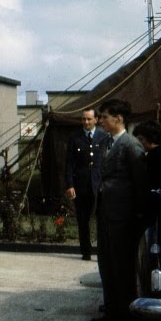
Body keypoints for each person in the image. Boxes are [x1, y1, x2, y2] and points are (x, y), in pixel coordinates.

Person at [91, 98, 147, 321]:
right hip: (105, 214)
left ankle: (126, 317)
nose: (100, 121)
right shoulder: (106, 142)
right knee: (106, 264)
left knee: (122, 267)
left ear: (119, 118)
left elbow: (140, 185)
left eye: (104, 117)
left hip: (123, 218)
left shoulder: (131, 146)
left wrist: (138, 216)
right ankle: (111, 310)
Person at [64, 108, 107, 261]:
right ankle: (86, 251)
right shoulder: (75, 137)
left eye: (89, 119)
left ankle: (103, 251)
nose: (86, 122)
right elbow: (69, 163)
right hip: (81, 184)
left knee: (102, 219)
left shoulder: (104, 136)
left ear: (96, 120)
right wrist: (70, 185)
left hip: (99, 184)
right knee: (83, 220)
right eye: (83, 119)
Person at [132, 119, 161, 224]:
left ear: (150, 138)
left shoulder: (154, 157)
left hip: (153, 207)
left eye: (141, 139)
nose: (138, 142)